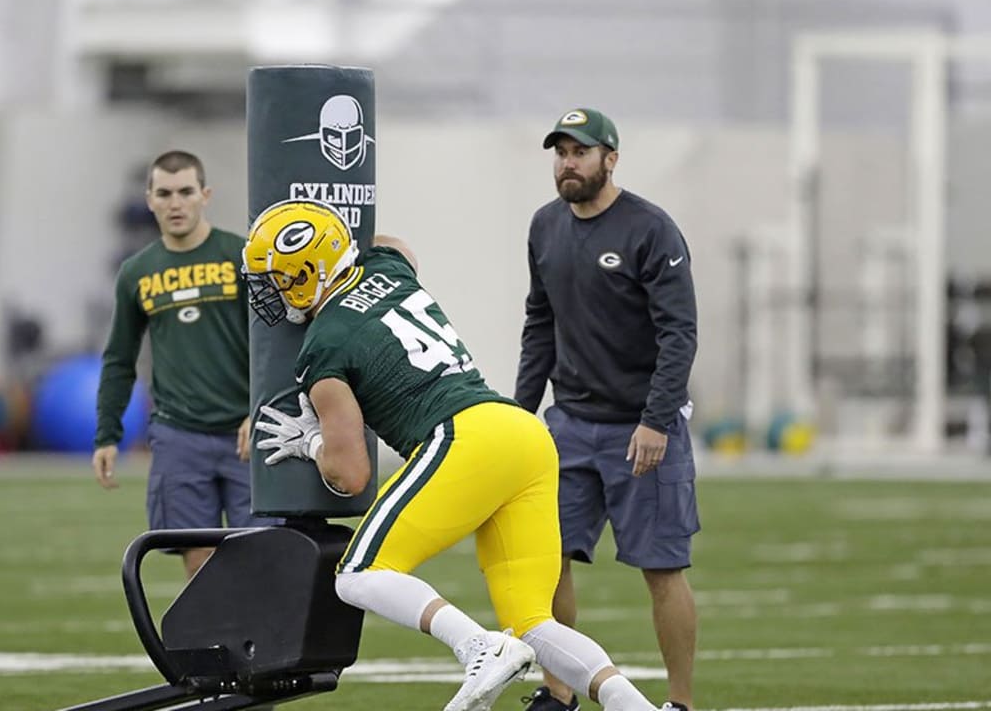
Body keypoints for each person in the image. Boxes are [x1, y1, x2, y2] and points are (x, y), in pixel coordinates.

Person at [247, 199, 658, 711]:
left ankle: (477, 647)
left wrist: (310, 442)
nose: (269, 290)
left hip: (464, 436)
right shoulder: (386, 267)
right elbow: (398, 247)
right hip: (522, 433)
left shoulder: (323, 346)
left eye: (277, 277)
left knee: (358, 573)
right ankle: (635, 706)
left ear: (307, 275)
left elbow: (351, 475)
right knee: (533, 621)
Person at [514, 108, 699, 711]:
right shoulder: (545, 226)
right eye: (561, 153)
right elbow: (539, 325)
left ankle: (679, 701)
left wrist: (654, 419)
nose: (568, 164)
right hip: (568, 424)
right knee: (549, 561)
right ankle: (557, 689)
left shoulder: (650, 229)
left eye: (580, 152)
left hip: (642, 428)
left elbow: (680, 334)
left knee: (661, 569)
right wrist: (520, 416)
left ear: (609, 159)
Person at [93, 150, 268, 579]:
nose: (176, 203)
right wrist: (107, 434)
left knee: (263, 553)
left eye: (186, 191)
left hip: (246, 433)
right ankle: (212, 645)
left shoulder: (242, 256)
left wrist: (261, 410)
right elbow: (119, 357)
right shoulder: (137, 272)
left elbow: (277, 341)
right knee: (197, 556)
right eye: (165, 193)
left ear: (205, 195)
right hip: (179, 435)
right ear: (149, 199)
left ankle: (263, 646)